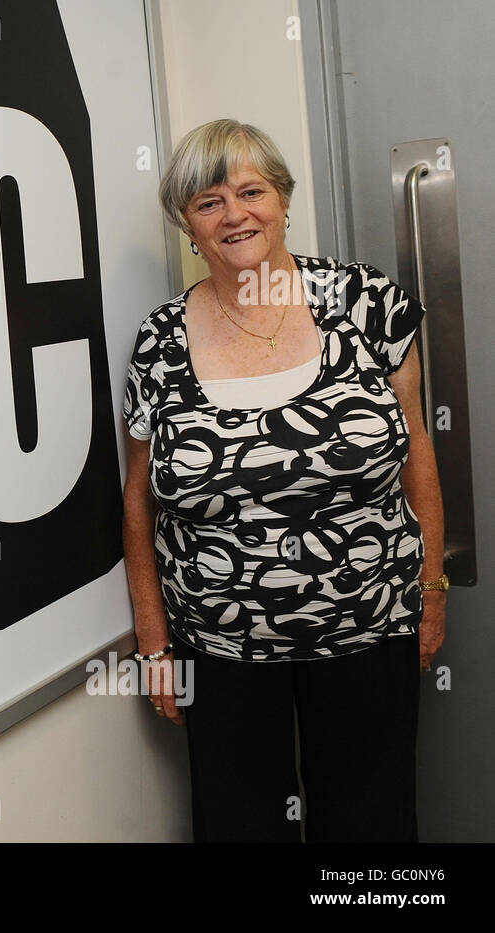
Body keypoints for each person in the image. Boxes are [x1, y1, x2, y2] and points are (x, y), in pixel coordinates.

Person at [121, 118, 448, 842]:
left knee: (371, 830)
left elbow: (416, 452)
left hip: (369, 628)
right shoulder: (159, 341)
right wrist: (154, 641)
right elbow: (140, 501)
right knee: (240, 828)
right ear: (187, 224)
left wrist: (431, 591)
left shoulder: (367, 304)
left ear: (284, 199)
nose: (234, 215)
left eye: (251, 192)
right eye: (209, 202)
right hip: (220, 646)